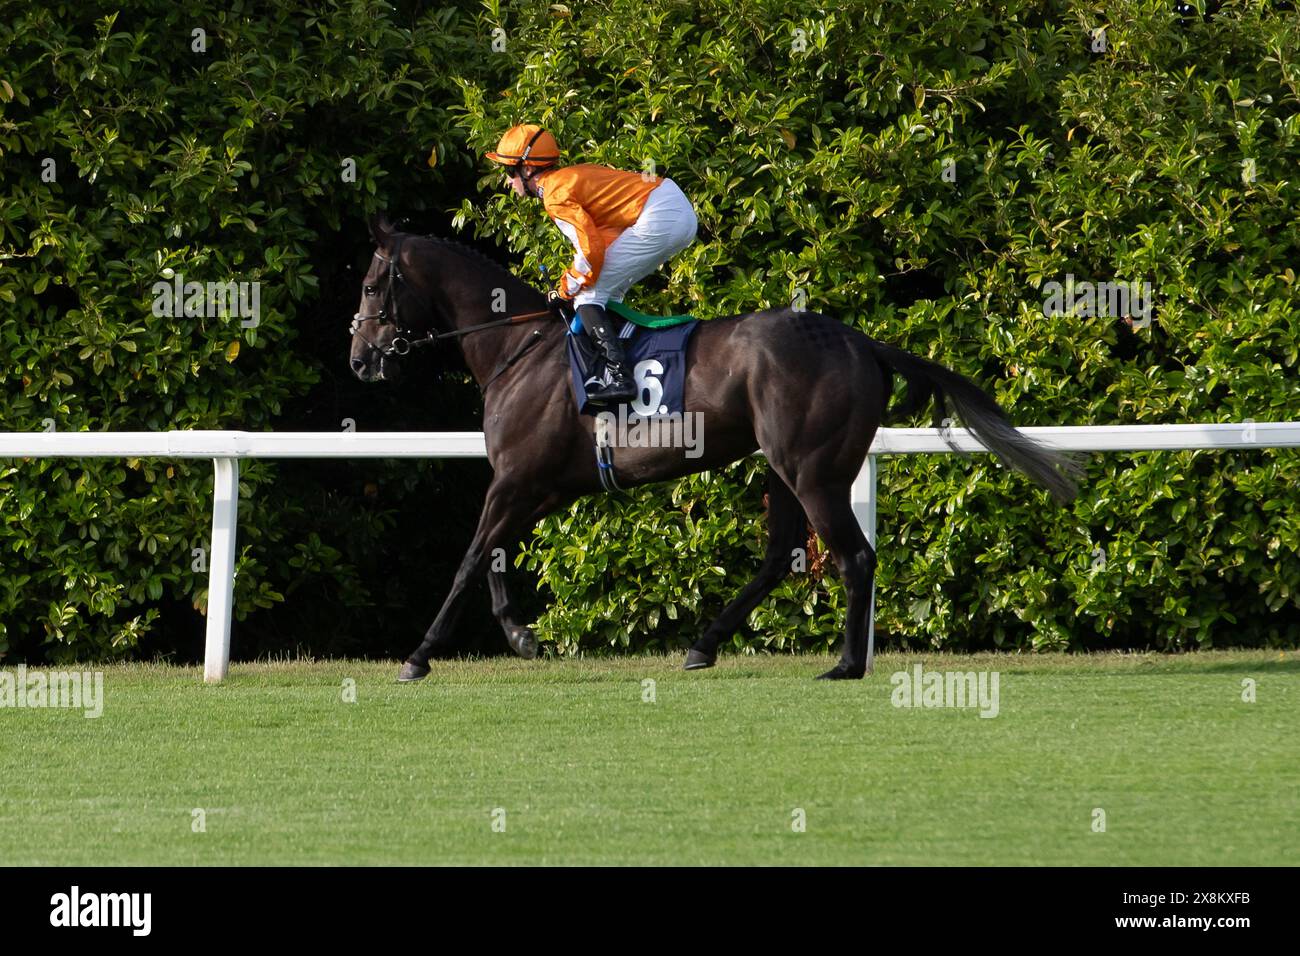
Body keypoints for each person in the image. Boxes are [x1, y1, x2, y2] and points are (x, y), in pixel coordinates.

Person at [485, 124, 698, 405]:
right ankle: (629, 360)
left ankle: (620, 378)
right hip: (672, 210)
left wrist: (565, 289)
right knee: (605, 292)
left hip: (662, 214)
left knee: (587, 295)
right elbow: (602, 242)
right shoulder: (565, 180)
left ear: (527, 170)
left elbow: (591, 251)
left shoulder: (555, 194)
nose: (507, 181)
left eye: (509, 171)